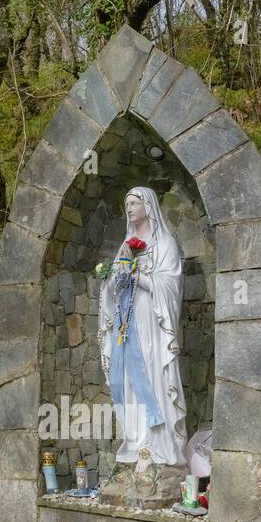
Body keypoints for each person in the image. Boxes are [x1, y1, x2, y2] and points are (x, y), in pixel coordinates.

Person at [97, 186, 187, 469]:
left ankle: (158, 444)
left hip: (152, 323)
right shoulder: (125, 247)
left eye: (135, 202)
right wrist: (112, 278)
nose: (130, 208)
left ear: (148, 206)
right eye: (127, 203)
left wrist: (140, 276)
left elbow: (170, 287)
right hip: (127, 322)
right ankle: (137, 443)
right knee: (129, 379)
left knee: (152, 373)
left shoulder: (165, 245)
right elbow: (110, 290)